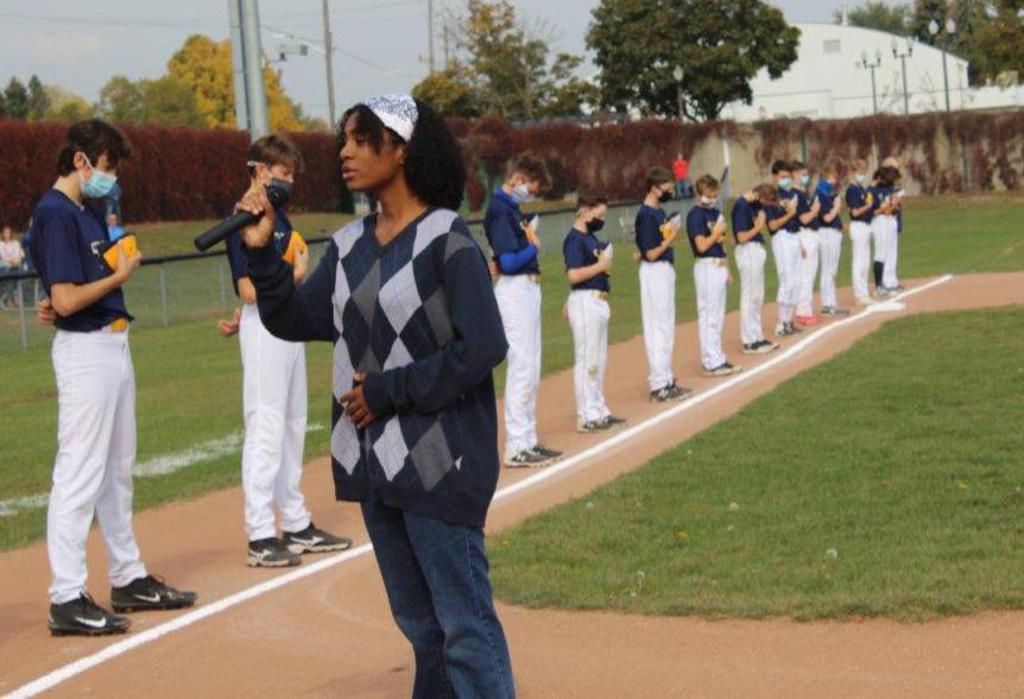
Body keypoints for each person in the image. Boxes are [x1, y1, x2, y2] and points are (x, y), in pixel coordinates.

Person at [241, 95, 515, 698]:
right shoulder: (347, 246)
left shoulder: (447, 238)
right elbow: (291, 318)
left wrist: (390, 390)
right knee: (421, 627)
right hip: (374, 462)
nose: (345, 151)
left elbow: (484, 345)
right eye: (344, 139)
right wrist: (261, 253)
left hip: (444, 461)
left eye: (363, 139)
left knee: (464, 627)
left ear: (403, 149)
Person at [30, 119, 195, 637]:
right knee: (79, 470)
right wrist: (119, 277)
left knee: (117, 470)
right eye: (104, 166)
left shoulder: (88, 209)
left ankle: (127, 576)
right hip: (86, 351)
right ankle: (66, 596)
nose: (110, 178)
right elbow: (64, 299)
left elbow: (63, 296)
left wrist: (86, 290)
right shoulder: (56, 212)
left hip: (111, 344)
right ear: (80, 160)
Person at [216, 135, 351, 568]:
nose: (288, 181)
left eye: (292, 175)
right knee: (266, 424)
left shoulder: (282, 218)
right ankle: (259, 532)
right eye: (282, 172)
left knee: (294, 424)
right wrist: (294, 275)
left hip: (287, 324)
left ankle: (294, 521)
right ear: (258, 170)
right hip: (265, 326)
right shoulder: (243, 217)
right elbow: (248, 289)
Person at [483, 153, 561, 468]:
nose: (531, 192)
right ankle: (516, 445)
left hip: (528, 289)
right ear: (517, 179)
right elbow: (508, 262)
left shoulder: (512, 209)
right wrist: (533, 246)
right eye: (531, 186)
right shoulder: (501, 210)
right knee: (522, 364)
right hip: (515, 290)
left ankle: (528, 438)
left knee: (532, 364)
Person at [563, 193, 625, 433]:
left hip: (598, 301)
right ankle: (586, 414)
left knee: (598, 360)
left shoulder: (590, 238)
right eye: (598, 215)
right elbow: (573, 275)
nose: (601, 219)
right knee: (587, 360)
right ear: (584, 211)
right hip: (586, 301)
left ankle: (598, 408)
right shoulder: (574, 240)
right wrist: (601, 265)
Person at [635, 167, 691, 402]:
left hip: (664, 272)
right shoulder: (646, 214)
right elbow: (650, 253)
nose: (669, 192)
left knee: (666, 327)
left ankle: (666, 378)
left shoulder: (658, 212)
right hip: (654, 271)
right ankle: (659, 384)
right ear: (653, 188)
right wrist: (671, 237)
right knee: (658, 327)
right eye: (666, 189)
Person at [686, 175, 740, 377]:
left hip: (718, 266)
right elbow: (701, 246)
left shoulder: (716, 213)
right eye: (709, 195)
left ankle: (717, 356)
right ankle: (710, 361)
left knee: (718, 316)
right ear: (700, 195)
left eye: (715, 195)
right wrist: (716, 233)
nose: (713, 199)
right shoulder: (695, 215)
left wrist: (727, 269)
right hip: (706, 266)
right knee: (709, 316)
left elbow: (721, 244)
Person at [731, 184, 780, 355]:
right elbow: (741, 237)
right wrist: (759, 227)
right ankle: (748, 341)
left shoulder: (754, 205)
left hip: (756, 250)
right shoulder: (742, 206)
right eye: (766, 201)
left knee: (757, 296)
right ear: (759, 195)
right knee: (749, 295)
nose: (766, 205)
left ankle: (757, 336)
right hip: (747, 251)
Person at [764, 160, 802, 337]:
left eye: (788, 176)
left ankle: (789, 320)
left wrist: (800, 243)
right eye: (782, 177)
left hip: (794, 236)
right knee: (786, 280)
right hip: (782, 237)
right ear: (775, 177)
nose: (786, 180)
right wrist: (789, 214)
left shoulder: (792, 193)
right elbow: (772, 226)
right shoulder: (771, 196)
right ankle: (781, 322)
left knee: (795, 281)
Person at [814, 165, 849, 316]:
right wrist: (837, 207)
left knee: (831, 270)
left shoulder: (827, 192)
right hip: (826, 234)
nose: (835, 181)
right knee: (828, 270)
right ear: (828, 177)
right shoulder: (821, 193)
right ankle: (827, 304)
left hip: (832, 233)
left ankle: (831, 303)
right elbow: (827, 217)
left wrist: (840, 226)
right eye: (833, 177)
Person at [791, 160, 822, 326]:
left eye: (805, 174)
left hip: (812, 235)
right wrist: (815, 210)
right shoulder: (796, 194)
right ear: (794, 174)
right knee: (805, 274)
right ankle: (802, 311)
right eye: (802, 174)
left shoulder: (802, 193)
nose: (805, 177)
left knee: (810, 274)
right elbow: (803, 219)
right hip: (806, 235)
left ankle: (805, 308)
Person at [845, 159, 876, 306]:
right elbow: (855, 212)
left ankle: (864, 292)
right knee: (859, 261)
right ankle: (859, 295)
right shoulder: (852, 190)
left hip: (866, 225)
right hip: (858, 226)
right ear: (852, 173)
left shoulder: (862, 189)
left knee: (865, 261)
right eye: (860, 172)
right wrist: (868, 206)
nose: (862, 175)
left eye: (864, 172)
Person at [869, 166, 900, 296]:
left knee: (890, 251)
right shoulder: (872, 191)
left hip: (889, 220)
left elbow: (894, 209)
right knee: (880, 252)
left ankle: (889, 282)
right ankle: (879, 285)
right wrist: (887, 208)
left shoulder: (889, 190)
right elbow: (873, 211)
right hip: (879, 221)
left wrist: (894, 205)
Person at [1, 223, 26, 308]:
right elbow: (1, 258)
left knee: (15, 272)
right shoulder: (1, 244)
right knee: (10, 273)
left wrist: (17, 261)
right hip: (5, 266)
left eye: (8, 232)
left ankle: (11, 298)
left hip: (17, 265)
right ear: (3, 234)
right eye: (5, 232)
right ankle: (13, 297)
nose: (7, 234)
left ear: (11, 233)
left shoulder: (16, 243)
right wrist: (10, 261)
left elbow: (21, 254)